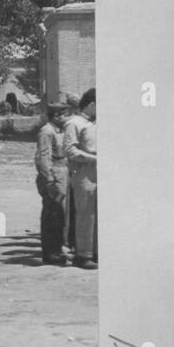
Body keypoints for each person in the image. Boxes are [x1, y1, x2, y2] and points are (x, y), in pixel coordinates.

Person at [35, 97, 73, 265]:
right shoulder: (47, 131)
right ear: (56, 116)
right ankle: (50, 253)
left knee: (59, 215)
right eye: (65, 115)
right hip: (53, 176)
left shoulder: (57, 130)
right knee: (52, 215)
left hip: (61, 173)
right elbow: (43, 158)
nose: (67, 118)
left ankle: (56, 250)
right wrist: (49, 181)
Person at [65, 88, 97, 269]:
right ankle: (83, 255)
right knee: (85, 214)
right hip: (84, 173)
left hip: (99, 172)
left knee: (98, 215)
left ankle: (95, 252)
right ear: (92, 105)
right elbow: (70, 150)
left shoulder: (95, 123)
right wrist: (93, 158)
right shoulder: (74, 123)